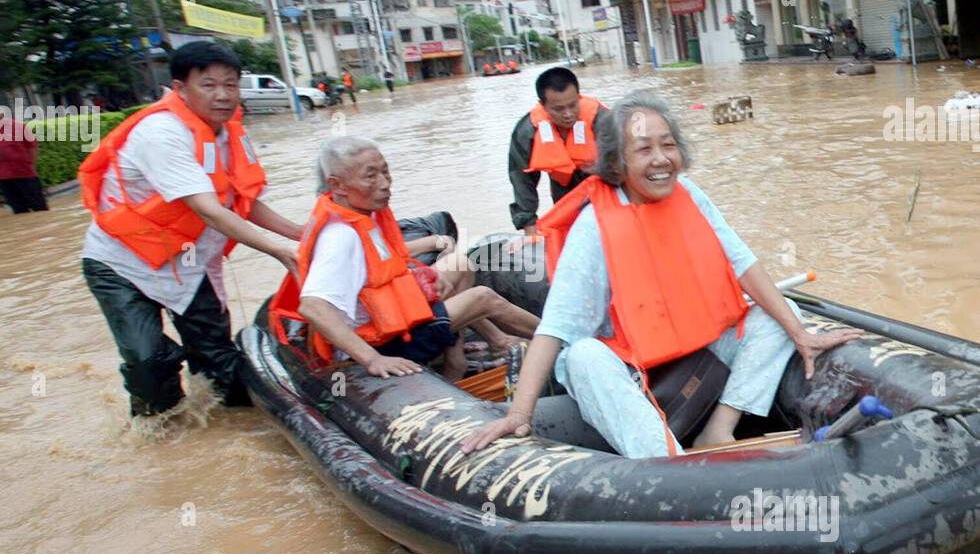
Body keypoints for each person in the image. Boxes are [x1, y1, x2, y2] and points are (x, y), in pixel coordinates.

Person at [464, 92, 861, 460]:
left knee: (781, 312)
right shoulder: (595, 226)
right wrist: (520, 412)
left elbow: (742, 263)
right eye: (644, 148)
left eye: (668, 145)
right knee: (582, 357)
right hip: (627, 362)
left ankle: (719, 429)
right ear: (618, 163)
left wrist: (801, 334)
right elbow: (556, 328)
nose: (660, 159)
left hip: (692, 346)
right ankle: (668, 464)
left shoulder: (689, 194)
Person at [79, 39, 303, 417]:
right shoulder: (162, 134)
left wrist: (300, 233)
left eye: (230, 85)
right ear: (181, 88)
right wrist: (280, 252)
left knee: (219, 361)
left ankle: (233, 431)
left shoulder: (228, 133)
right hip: (123, 264)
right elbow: (210, 211)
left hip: (189, 262)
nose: (223, 95)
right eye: (209, 85)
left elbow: (241, 201)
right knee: (149, 364)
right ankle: (160, 435)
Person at [270, 137, 541, 382]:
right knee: (483, 297)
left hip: (396, 318)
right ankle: (559, 339)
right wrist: (373, 359)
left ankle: (464, 358)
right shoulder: (340, 236)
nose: (385, 184)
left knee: (459, 265)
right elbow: (313, 307)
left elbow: (387, 261)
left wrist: (437, 250)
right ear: (337, 185)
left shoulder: (360, 214)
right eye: (370, 177)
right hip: (383, 341)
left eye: (385, 171)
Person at [508, 66, 608, 235]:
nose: (568, 114)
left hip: (603, 188)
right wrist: (529, 225)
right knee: (565, 231)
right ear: (543, 106)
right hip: (563, 192)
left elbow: (627, 163)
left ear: (579, 97)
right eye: (558, 109)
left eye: (573, 105)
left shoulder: (603, 120)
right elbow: (521, 178)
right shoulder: (527, 131)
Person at [0, 112, 48, 213]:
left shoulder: (19, 127)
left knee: (40, 208)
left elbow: (32, 147)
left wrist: (30, 165)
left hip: (25, 174)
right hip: (4, 179)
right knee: (19, 210)